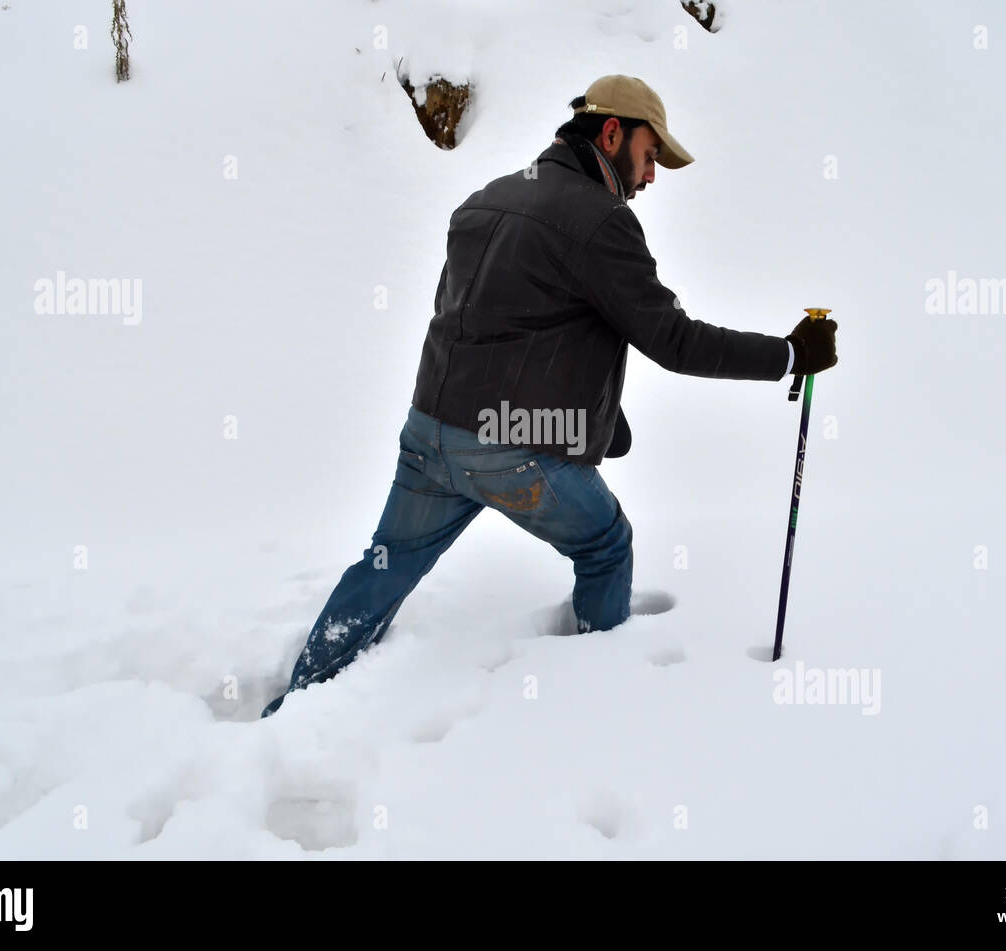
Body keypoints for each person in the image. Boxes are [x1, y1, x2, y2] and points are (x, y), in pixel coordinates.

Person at [261, 75, 838, 718]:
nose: (651, 177)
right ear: (612, 133)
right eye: (650, 156)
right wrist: (789, 353)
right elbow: (673, 341)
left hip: (430, 429)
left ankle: (295, 704)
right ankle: (593, 709)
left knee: (387, 565)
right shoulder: (602, 223)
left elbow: (498, 324)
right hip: (511, 445)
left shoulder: (486, 201)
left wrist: (591, 418)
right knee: (604, 544)